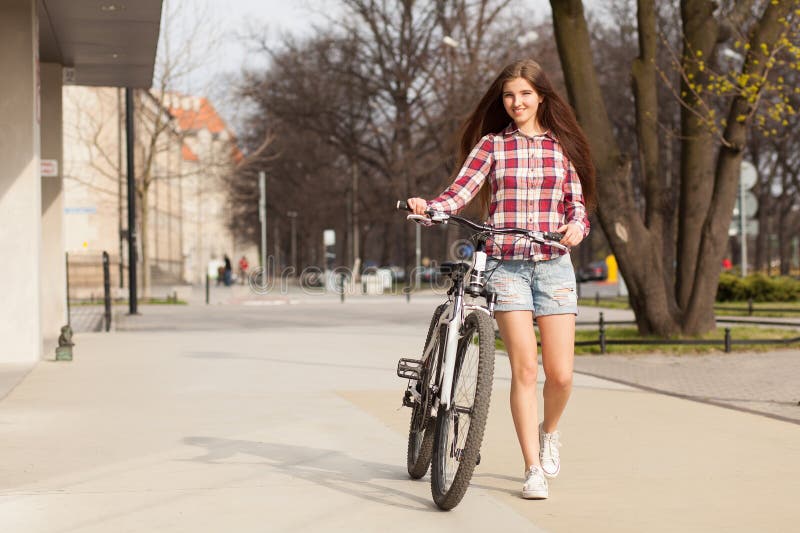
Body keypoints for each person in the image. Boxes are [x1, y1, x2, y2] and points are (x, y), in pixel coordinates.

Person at [407, 59, 596, 500]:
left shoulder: (561, 148)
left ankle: (549, 433)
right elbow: (459, 193)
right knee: (525, 368)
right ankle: (533, 468)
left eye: (526, 94)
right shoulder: (492, 146)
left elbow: (578, 209)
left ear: (541, 98)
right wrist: (430, 208)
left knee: (562, 375)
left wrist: (576, 228)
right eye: (510, 95)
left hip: (553, 265)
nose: (517, 103)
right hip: (506, 266)